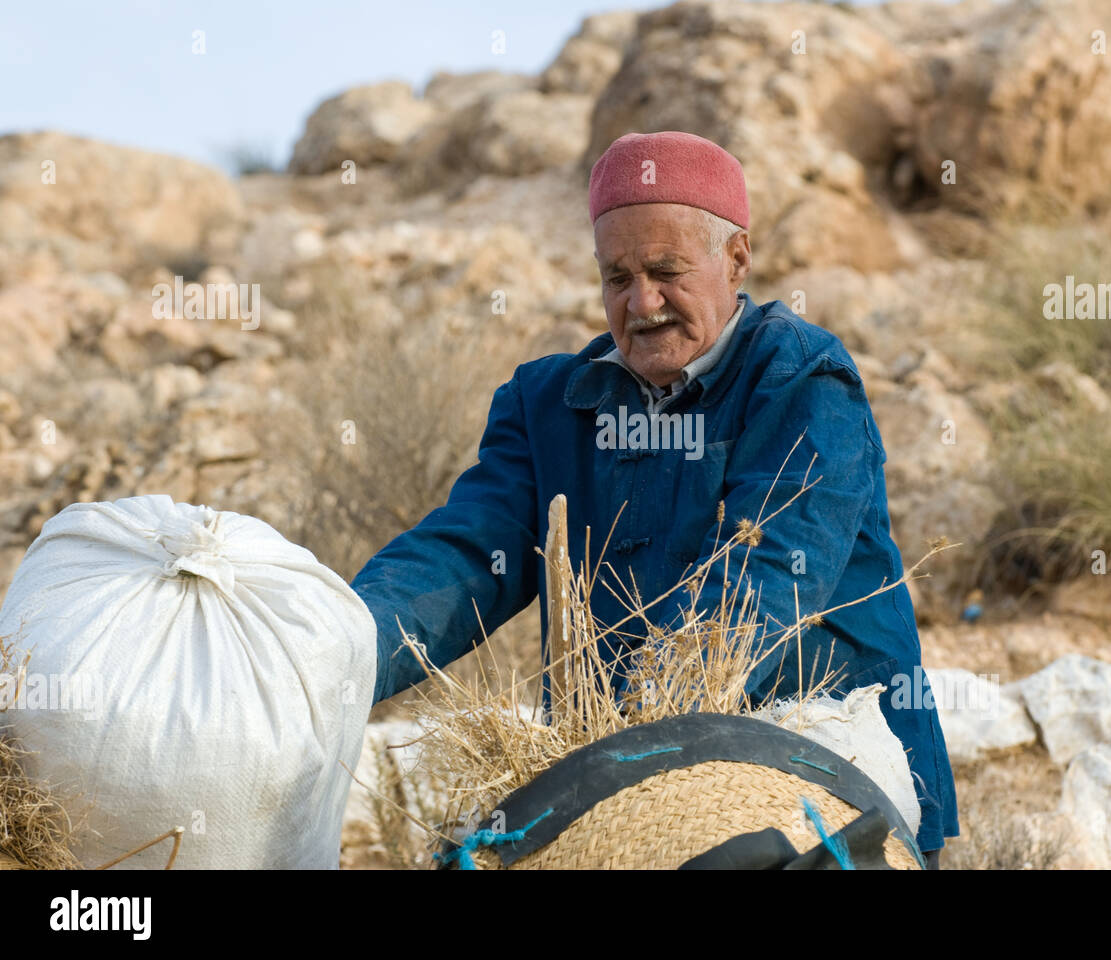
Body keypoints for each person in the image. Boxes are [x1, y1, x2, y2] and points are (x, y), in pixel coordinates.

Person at [350, 130, 959, 864]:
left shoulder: (802, 379)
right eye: (617, 278)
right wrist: (339, 647)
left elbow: (763, 577)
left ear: (736, 260)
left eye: (667, 271)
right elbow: (467, 553)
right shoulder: (548, 402)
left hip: (818, 766)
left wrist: (633, 731)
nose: (643, 303)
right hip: (618, 789)